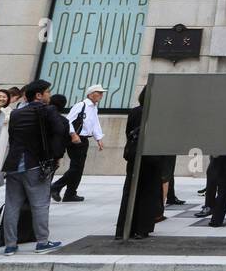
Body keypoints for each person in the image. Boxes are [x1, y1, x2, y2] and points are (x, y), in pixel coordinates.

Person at [0, 79, 69, 254]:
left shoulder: (16, 113)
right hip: (34, 163)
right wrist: (55, 155)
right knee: (39, 203)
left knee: (12, 204)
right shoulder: (47, 111)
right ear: (39, 95)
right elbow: (60, 131)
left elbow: (12, 137)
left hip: (14, 163)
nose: (49, 96)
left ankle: (10, 244)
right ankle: (42, 241)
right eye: (47, 92)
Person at [115, 87, 164, 239]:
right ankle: (142, 228)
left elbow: (128, 133)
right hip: (151, 157)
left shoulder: (134, 112)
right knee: (148, 192)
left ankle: (124, 228)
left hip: (134, 156)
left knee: (130, 190)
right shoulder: (158, 113)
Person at [52, 84, 106, 202]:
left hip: (84, 139)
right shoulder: (81, 105)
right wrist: (73, 134)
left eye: (102, 93)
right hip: (75, 139)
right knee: (76, 167)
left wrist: (99, 138)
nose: (101, 95)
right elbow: (68, 121)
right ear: (90, 94)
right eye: (99, 92)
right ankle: (55, 187)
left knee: (78, 167)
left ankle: (70, 193)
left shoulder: (94, 107)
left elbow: (95, 123)